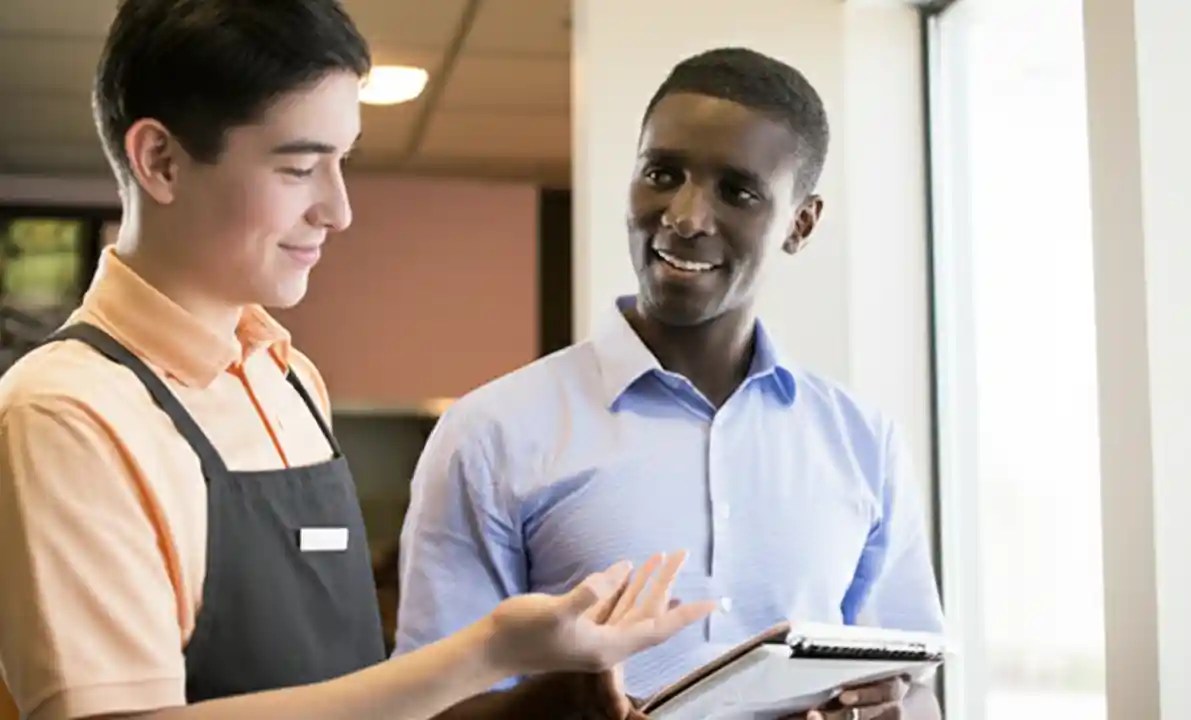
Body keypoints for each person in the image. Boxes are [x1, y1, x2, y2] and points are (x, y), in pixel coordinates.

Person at [0, 2, 714, 719]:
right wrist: (485, 651)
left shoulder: (288, 378)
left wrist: (536, 703)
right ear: (160, 160)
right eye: (301, 167)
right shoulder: (66, 414)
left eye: (343, 163)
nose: (338, 209)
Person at [395, 47, 946, 720]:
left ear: (800, 224)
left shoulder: (864, 441)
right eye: (663, 173)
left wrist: (895, 710)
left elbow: (914, 689)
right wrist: (558, 707)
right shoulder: (490, 434)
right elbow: (422, 706)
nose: (685, 216)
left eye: (737, 192)